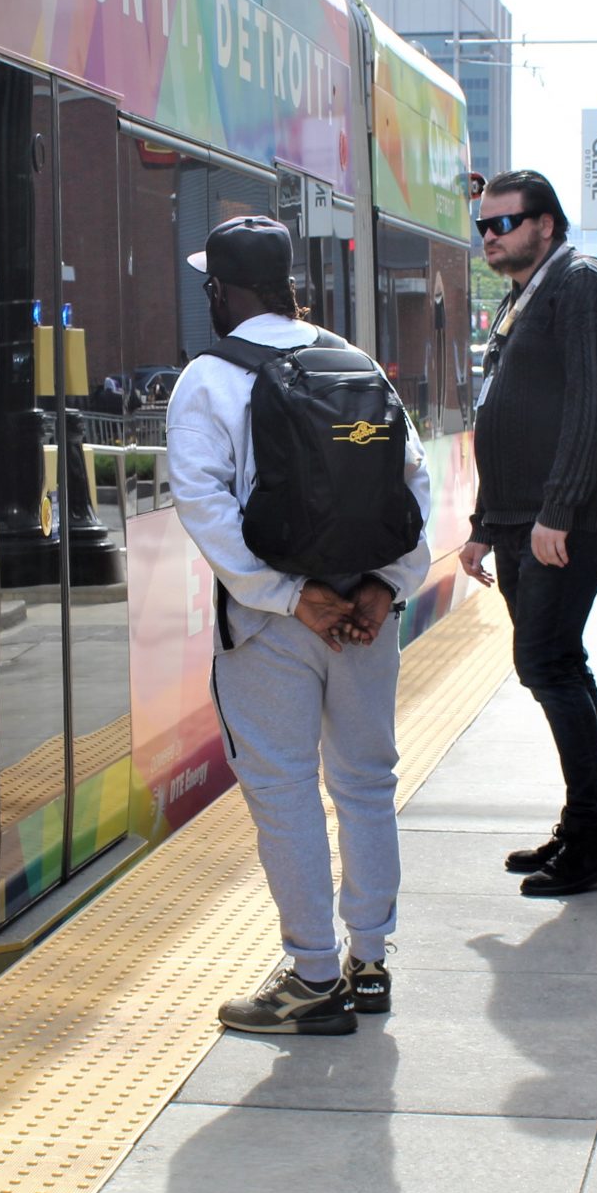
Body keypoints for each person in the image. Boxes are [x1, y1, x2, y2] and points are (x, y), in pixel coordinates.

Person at [167, 216, 434, 1034]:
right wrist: (385, 588)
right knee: (365, 781)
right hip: (366, 617)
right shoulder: (355, 365)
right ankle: (372, 960)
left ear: (223, 291)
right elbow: (413, 486)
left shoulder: (207, 380)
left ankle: (314, 976)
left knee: (283, 788)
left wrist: (290, 597)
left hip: (271, 627)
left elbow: (203, 506)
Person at [457, 169, 597, 898]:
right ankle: (589, 818)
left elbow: (593, 405)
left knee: (546, 664)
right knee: (559, 661)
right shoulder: (524, 298)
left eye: (506, 222)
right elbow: (511, 418)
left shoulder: (582, 284)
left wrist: (556, 512)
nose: (492, 236)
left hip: (560, 521)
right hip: (520, 519)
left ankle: (595, 834)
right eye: (485, 226)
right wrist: (481, 524)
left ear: (547, 224)